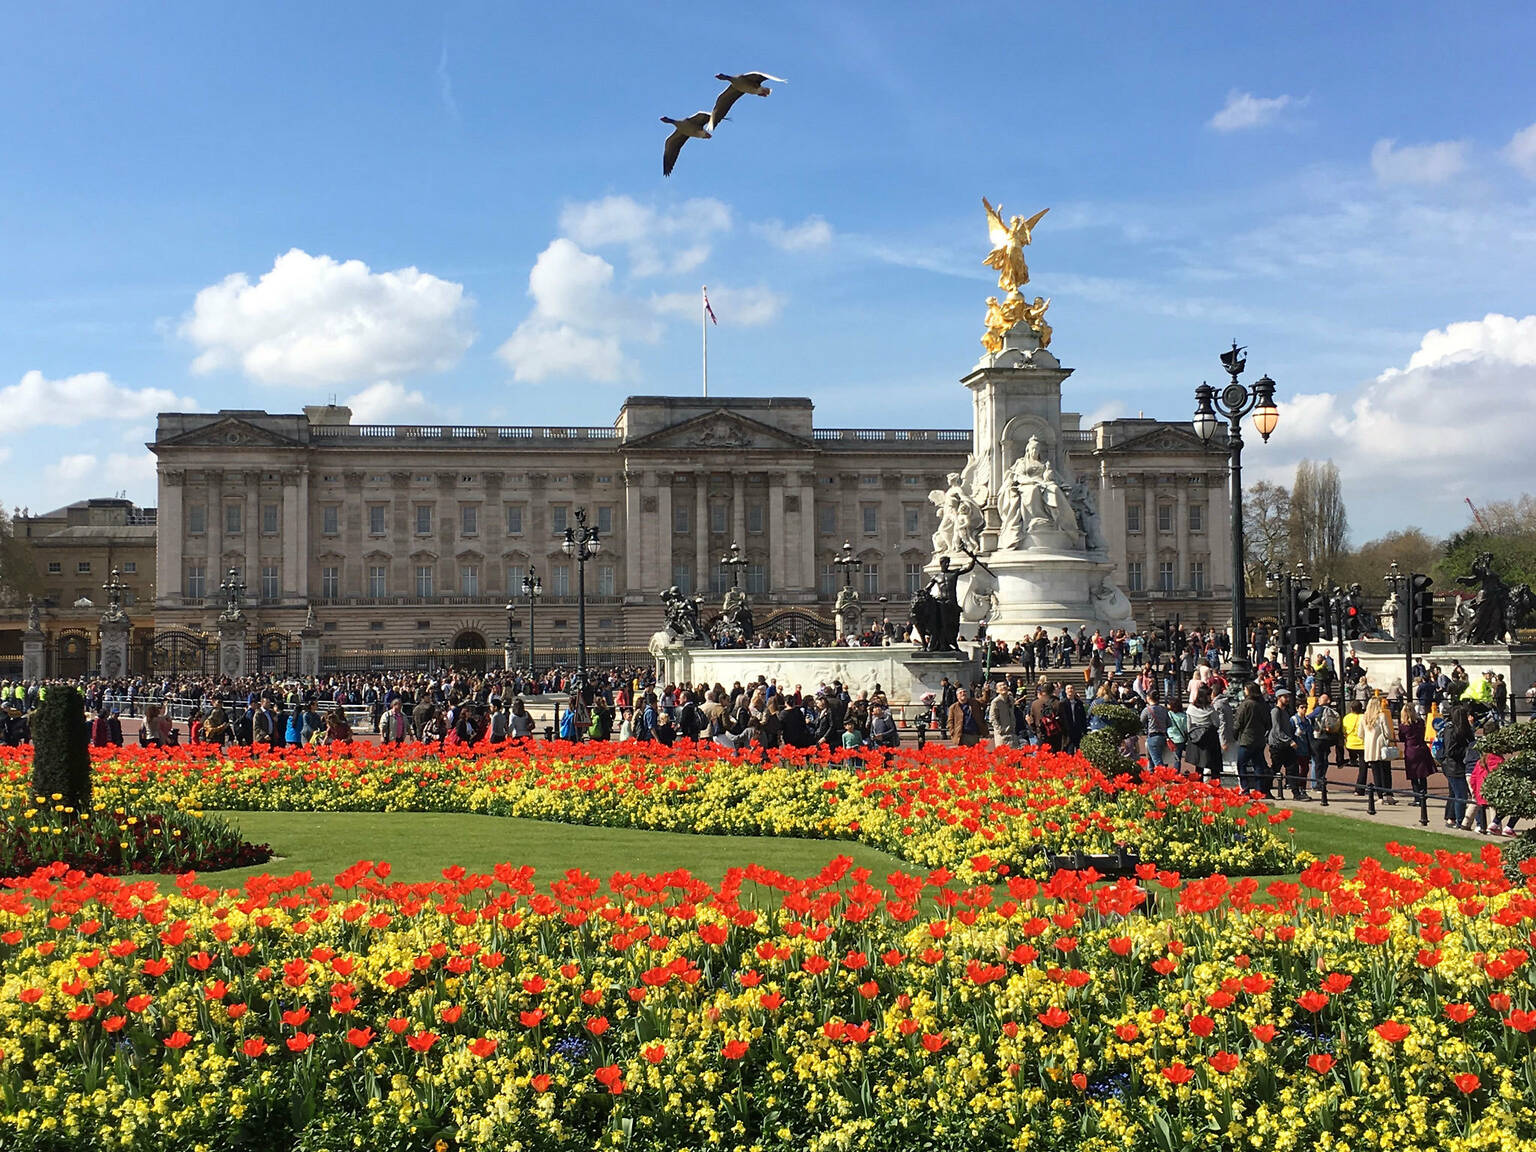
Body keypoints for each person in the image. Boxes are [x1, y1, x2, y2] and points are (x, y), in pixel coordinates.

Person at [1268, 688, 1306, 800]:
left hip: (1286, 745)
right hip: (1278, 745)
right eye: (1285, 697)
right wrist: (1289, 741)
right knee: (1275, 768)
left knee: (1292, 767)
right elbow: (1277, 730)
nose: (1287, 699)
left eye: (1288, 697)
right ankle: (1265, 789)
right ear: (1279, 698)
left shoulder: (1285, 711)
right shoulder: (1275, 711)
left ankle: (1296, 793)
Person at [1233, 683, 1271, 796]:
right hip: (1259, 740)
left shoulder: (1246, 705)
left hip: (1246, 740)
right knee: (1258, 765)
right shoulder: (1263, 704)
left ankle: (1245, 789)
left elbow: (1239, 722)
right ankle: (1259, 790)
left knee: (1241, 764)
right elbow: (1268, 723)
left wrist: (1235, 735)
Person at [1183, 682, 1225, 783]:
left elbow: (1188, 726)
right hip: (1210, 738)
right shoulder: (1210, 709)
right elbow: (1216, 723)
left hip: (1196, 738)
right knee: (1214, 765)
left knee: (1199, 765)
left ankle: (1199, 786)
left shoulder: (1191, 708)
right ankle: (1216, 785)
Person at [1360, 696, 1395, 803]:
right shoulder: (1381, 716)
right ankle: (1388, 794)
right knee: (1386, 771)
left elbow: (1360, 734)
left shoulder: (1364, 717)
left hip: (1370, 747)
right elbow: (1388, 733)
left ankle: (1380, 796)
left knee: (1376, 772)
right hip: (1381, 746)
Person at [1399, 703, 1435, 807]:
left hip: (1411, 750)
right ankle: (1423, 794)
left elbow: (1402, 738)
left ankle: (1417, 797)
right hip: (1422, 748)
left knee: (1413, 776)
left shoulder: (1403, 726)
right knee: (1422, 775)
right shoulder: (1420, 722)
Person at [1140, 689, 1170, 769]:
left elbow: (1140, 723)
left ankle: (1161, 777)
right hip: (1163, 736)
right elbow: (1169, 723)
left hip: (1153, 736)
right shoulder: (1164, 709)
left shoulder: (1147, 710)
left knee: (1157, 761)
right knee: (1155, 759)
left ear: (1149, 698)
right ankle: (1152, 777)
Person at [1342, 701, 1366, 792]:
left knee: (1352, 752)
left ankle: (1352, 759)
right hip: (1362, 745)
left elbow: (1344, 731)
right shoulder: (1363, 717)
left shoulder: (1347, 717)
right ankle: (1360, 789)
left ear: (1351, 709)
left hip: (1350, 744)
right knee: (1363, 767)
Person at [987, 683, 1016, 750]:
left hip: (1012, 733)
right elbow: (992, 718)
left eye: (1004, 685)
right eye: (1000, 686)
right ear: (997, 690)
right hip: (1001, 735)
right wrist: (1000, 729)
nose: (1003, 687)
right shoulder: (995, 702)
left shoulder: (1011, 699)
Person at [1166, 696, 1188, 773]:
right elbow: (1185, 728)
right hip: (1180, 739)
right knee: (1177, 759)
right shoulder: (1183, 716)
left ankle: (1163, 774)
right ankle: (1176, 775)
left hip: (1169, 739)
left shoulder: (1168, 714)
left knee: (1166, 758)